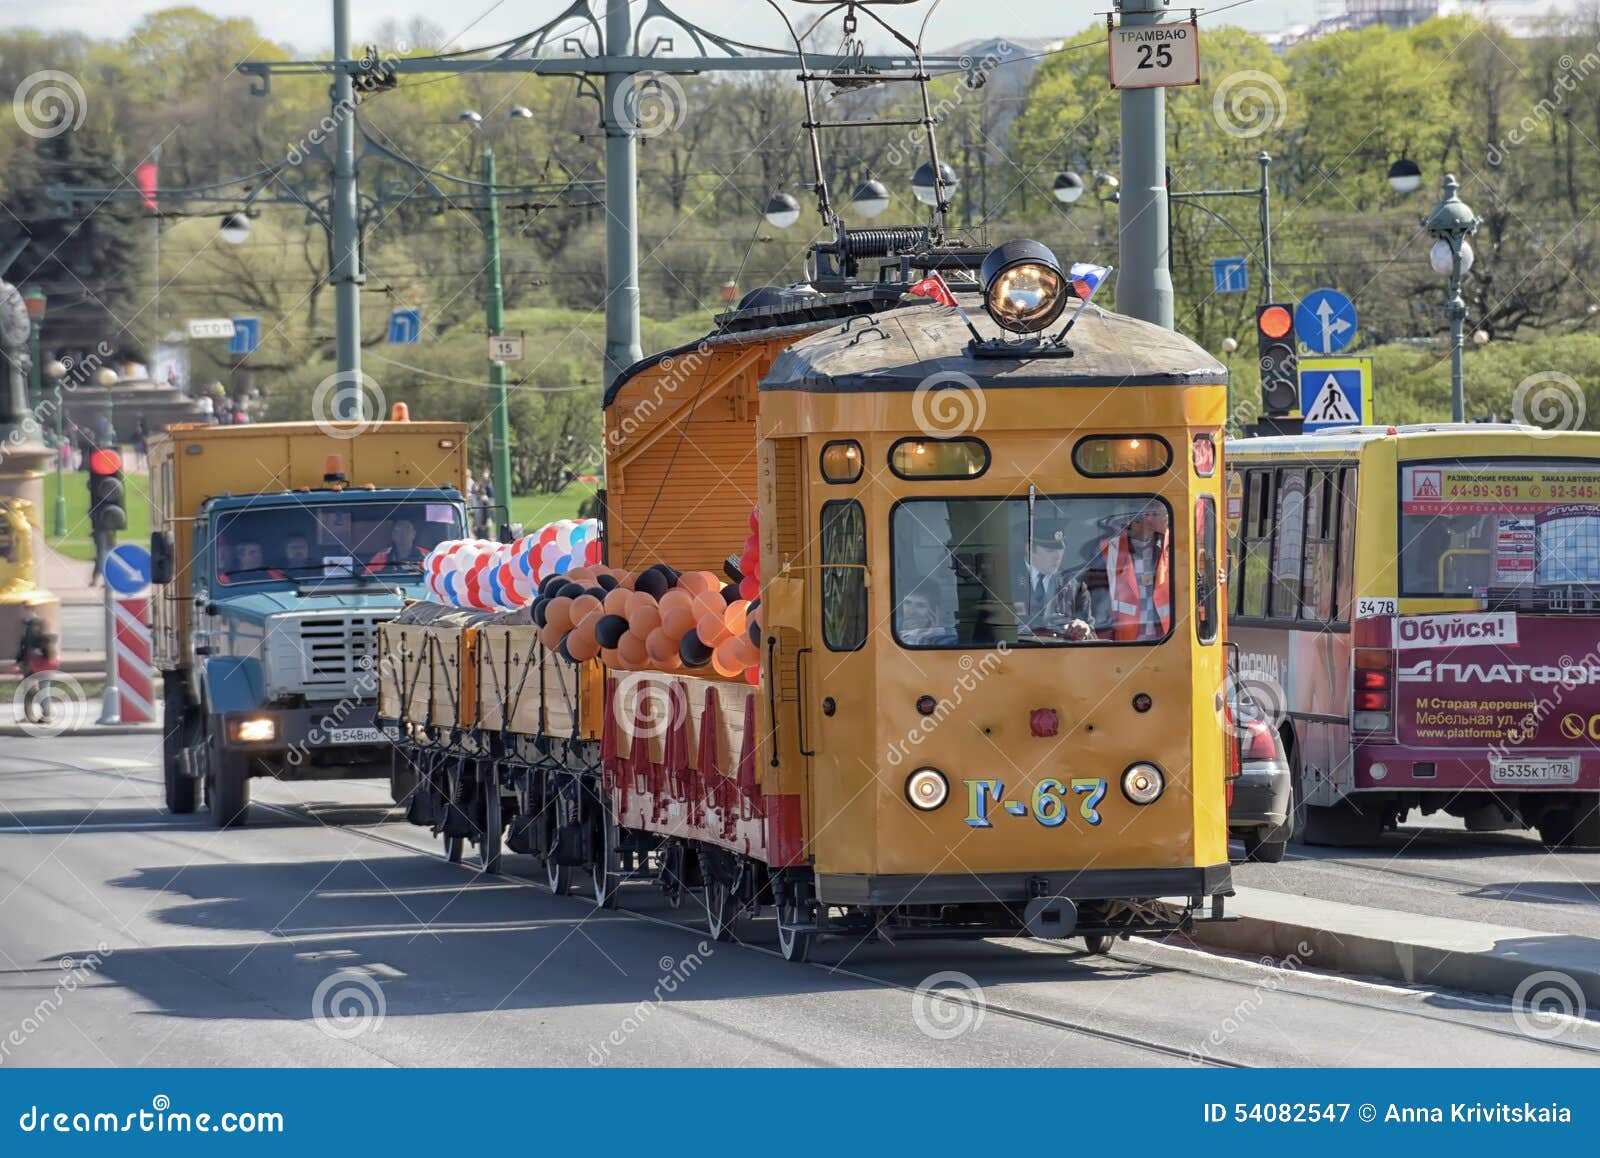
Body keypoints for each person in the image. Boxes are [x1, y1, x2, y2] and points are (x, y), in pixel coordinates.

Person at [1099, 503, 1172, 641]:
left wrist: (1214, 579)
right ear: (1148, 516)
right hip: (1126, 646)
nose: (1168, 519)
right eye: (1165, 513)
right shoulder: (1109, 550)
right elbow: (1097, 602)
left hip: (1166, 643)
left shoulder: (1173, 546)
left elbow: (1190, 586)